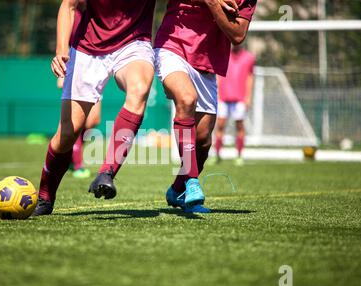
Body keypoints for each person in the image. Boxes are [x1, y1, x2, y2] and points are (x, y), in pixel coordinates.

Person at [34, 0, 156, 216]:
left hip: (134, 44)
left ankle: (107, 172)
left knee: (139, 89)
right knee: (67, 134)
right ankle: (45, 196)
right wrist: (62, 50)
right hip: (87, 49)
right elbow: (69, 5)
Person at [154, 0, 257, 213]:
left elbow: (238, 35)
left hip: (207, 62)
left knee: (202, 142)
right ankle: (192, 182)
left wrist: (212, 4)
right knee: (186, 99)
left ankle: (176, 189)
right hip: (173, 46)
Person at [214, 44, 255, 166]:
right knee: (220, 125)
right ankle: (216, 155)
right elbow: (218, 76)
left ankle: (239, 155)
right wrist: (216, 94)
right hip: (223, 97)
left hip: (240, 99)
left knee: (240, 126)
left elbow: (250, 77)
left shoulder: (249, 58)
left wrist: (248, 97)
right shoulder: (223, 55)